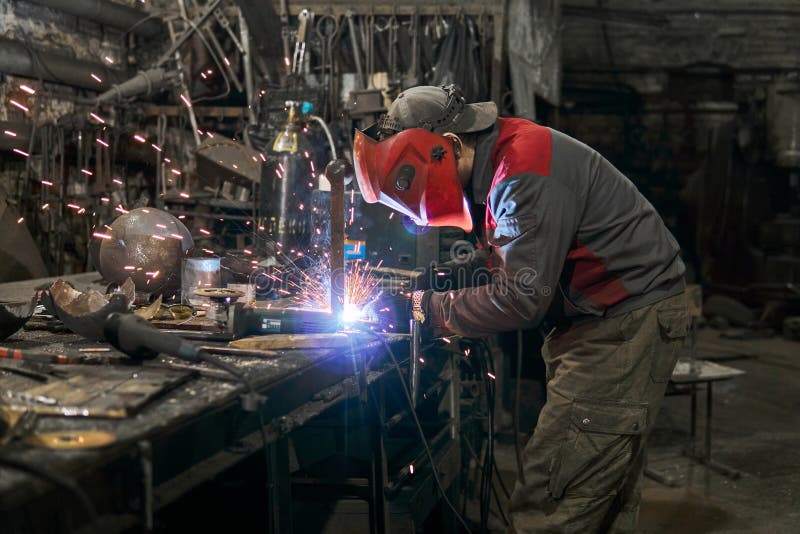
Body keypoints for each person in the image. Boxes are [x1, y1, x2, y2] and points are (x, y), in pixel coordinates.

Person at [352, 84, 689, 533]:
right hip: (609, 317)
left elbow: (521, 298)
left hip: (621, 324)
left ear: (450, 146)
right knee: (597, 496)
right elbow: (521, 253)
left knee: (553, 500)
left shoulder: (520, 172)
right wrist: (449, 279)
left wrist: (423, 309)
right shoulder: (502, 159)